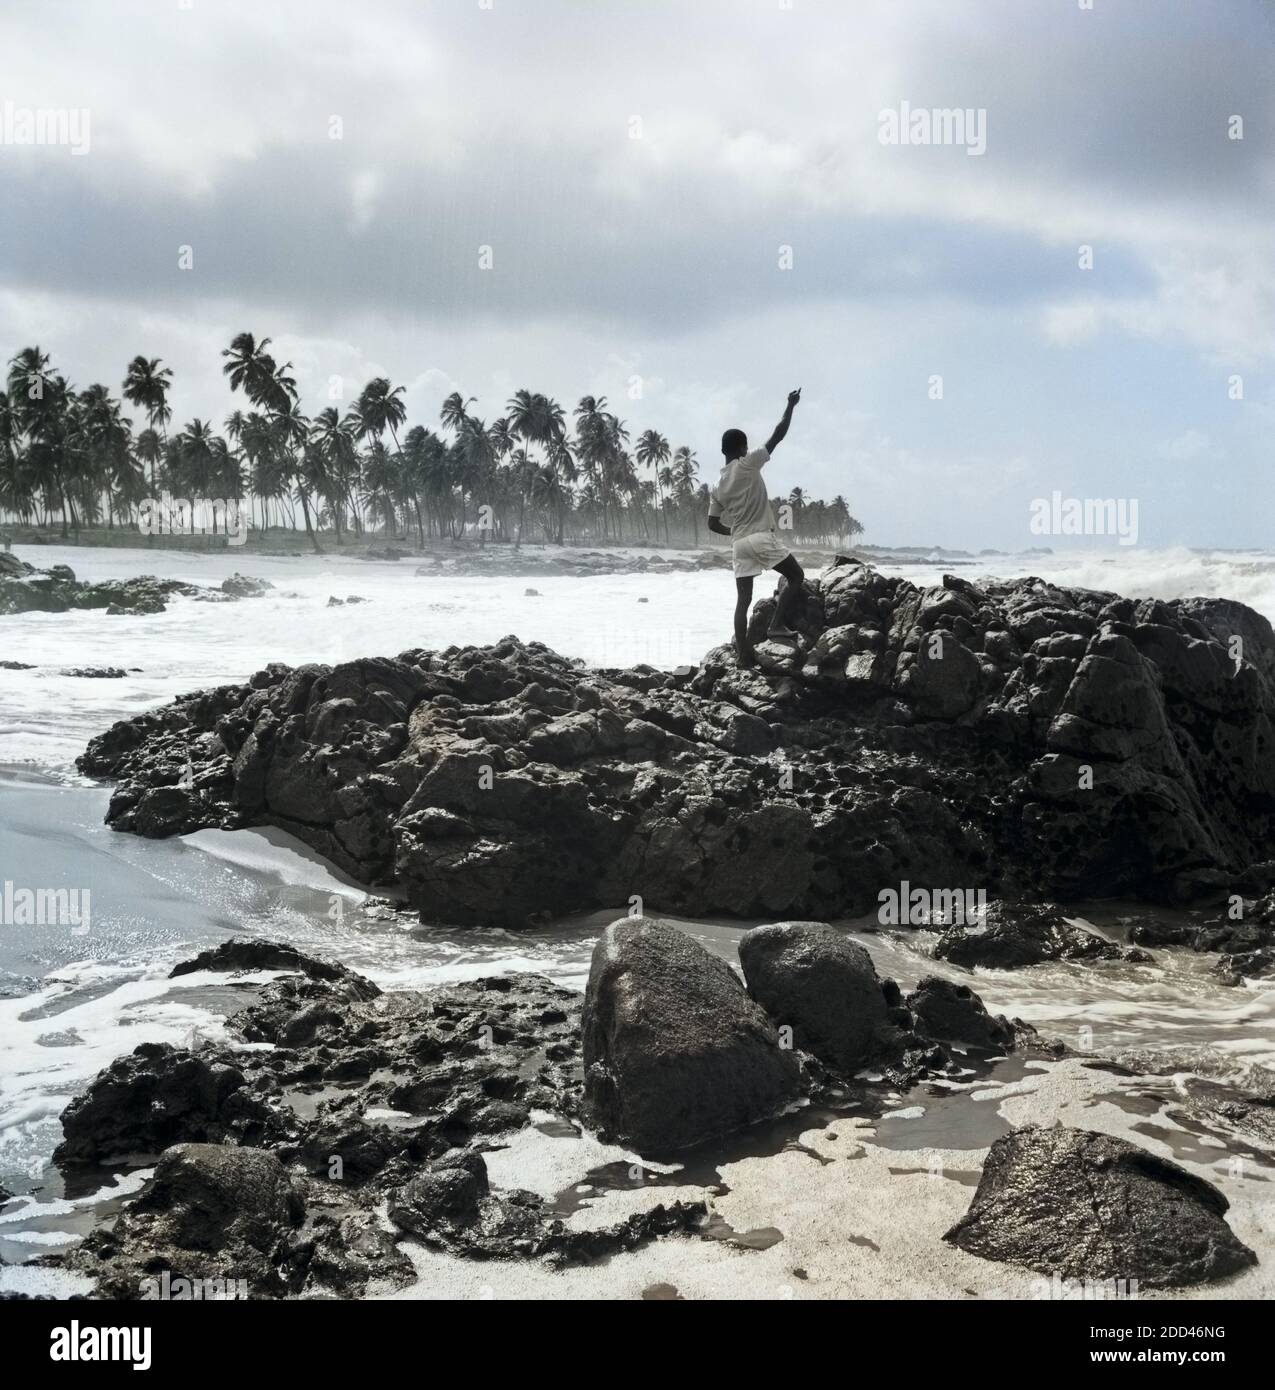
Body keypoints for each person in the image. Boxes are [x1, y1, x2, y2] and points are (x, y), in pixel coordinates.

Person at [707, 389, 804, 668]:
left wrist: (735, 532)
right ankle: (776, 625)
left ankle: (743, 655)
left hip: (739, 544)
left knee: (743, 601)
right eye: (745, 447)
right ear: (740, 449)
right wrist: (790, 405)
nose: (747, 451)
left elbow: (712, 523)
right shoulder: (748, 464)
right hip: (761, 537)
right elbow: (778, 434)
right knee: (796, 576)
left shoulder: (717, 485)